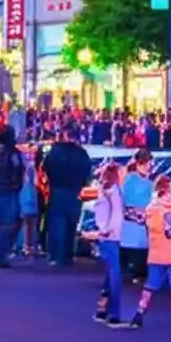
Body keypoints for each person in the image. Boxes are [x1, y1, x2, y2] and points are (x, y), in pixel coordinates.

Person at [129, 174, 171, 333]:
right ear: (166, 191)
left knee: (150, 285)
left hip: (156, 254)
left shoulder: (151, 209)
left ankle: (139, 314)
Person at [41, 124, 92, 266]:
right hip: (75, 192)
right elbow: (87, 173)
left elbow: (46, 168)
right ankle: (68, 255)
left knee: (57, 224)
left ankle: (56, 256)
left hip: (57, 190)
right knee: (71, 224)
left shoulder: (56, 151)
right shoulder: (82, 154)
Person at [91, 163, 128, 326]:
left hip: (110, 236)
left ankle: (102, 309)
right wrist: (106, 230)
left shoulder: (108, 192)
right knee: (115, 274)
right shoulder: (113, 193)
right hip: (111, 236)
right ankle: (114, 312)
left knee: (111, 274)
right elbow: (114, 215)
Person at [0, 125, 25, 269]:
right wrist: (17, 185)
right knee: (9, 224)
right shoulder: (13, 154)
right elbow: (18, 170)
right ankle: (1, 256)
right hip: (9, 190)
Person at [120, 149, 154, 284]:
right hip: (132, 220)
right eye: (147, 164)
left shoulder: (147, 182)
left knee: (138, 245)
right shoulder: (131, 179)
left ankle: (135, 271)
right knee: (133, 245)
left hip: (138, 221)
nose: (149, 167)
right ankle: (131, 271)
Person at [18, 149, 41, 257]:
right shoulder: (32, 168)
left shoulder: (25, 166)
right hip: (30, 195)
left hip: (25, 195)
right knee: (30, 222)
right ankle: (29, 246)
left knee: (27, 222)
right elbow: (35, 182)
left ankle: (27, 245)